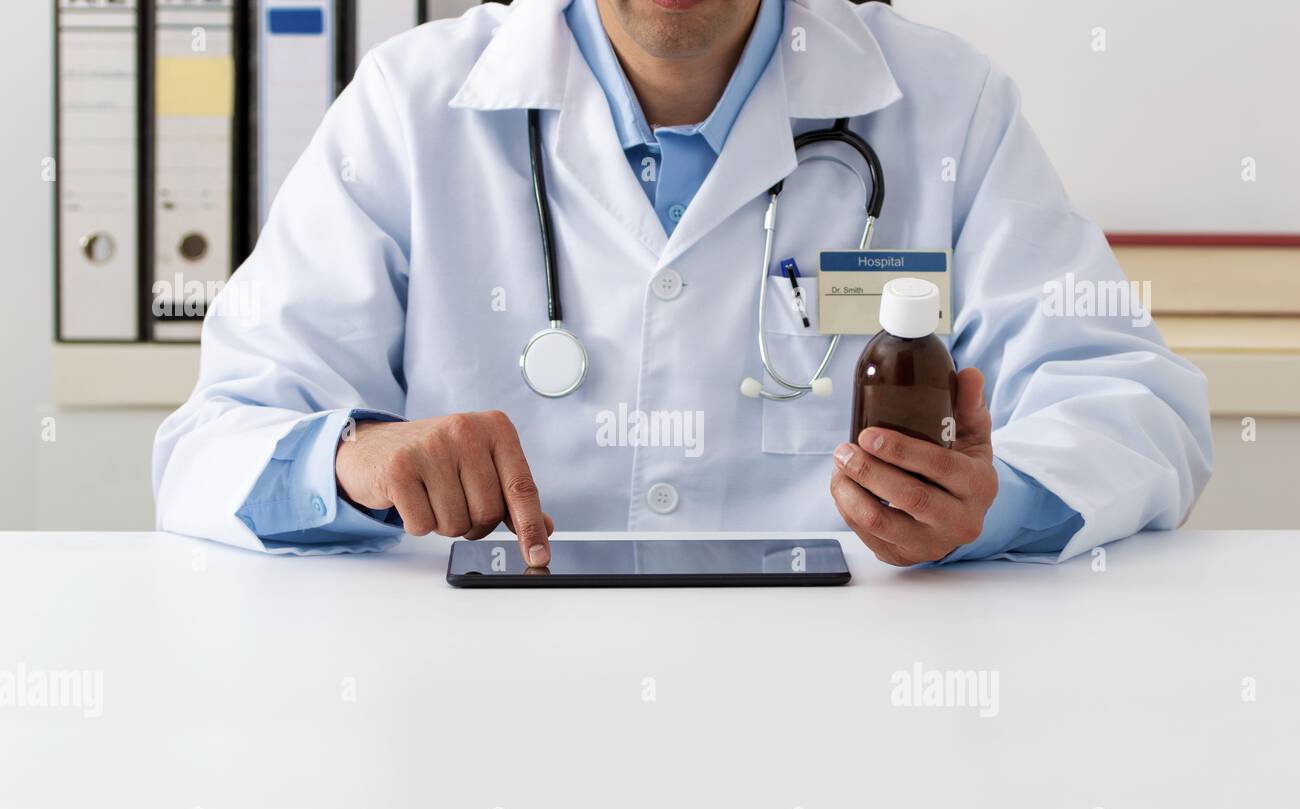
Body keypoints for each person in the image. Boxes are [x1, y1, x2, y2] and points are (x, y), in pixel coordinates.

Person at [152, 0, 1212, 567]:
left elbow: (1136, 406)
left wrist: (990, 506)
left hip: (845, 703)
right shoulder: (409, 107)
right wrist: (352, 460)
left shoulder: (945, 106)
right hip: (485, 701)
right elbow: (205, 449)